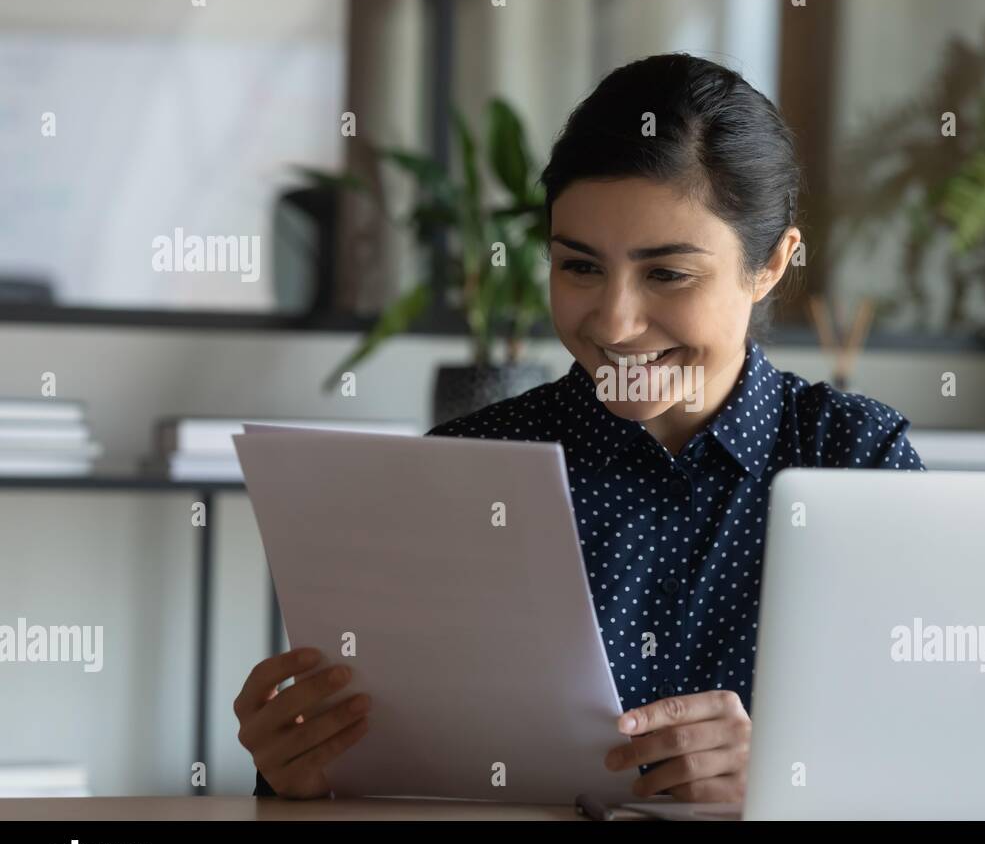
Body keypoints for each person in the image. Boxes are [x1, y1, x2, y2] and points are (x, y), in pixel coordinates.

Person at [234, 52, 925, 805]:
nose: (615, 323)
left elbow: (944, 752)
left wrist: (792, 773)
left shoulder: (859, 463)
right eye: (580, 268)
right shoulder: (469, 467)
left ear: (770, 265)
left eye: (667, 273)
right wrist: (297, 774)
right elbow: (392, 781)